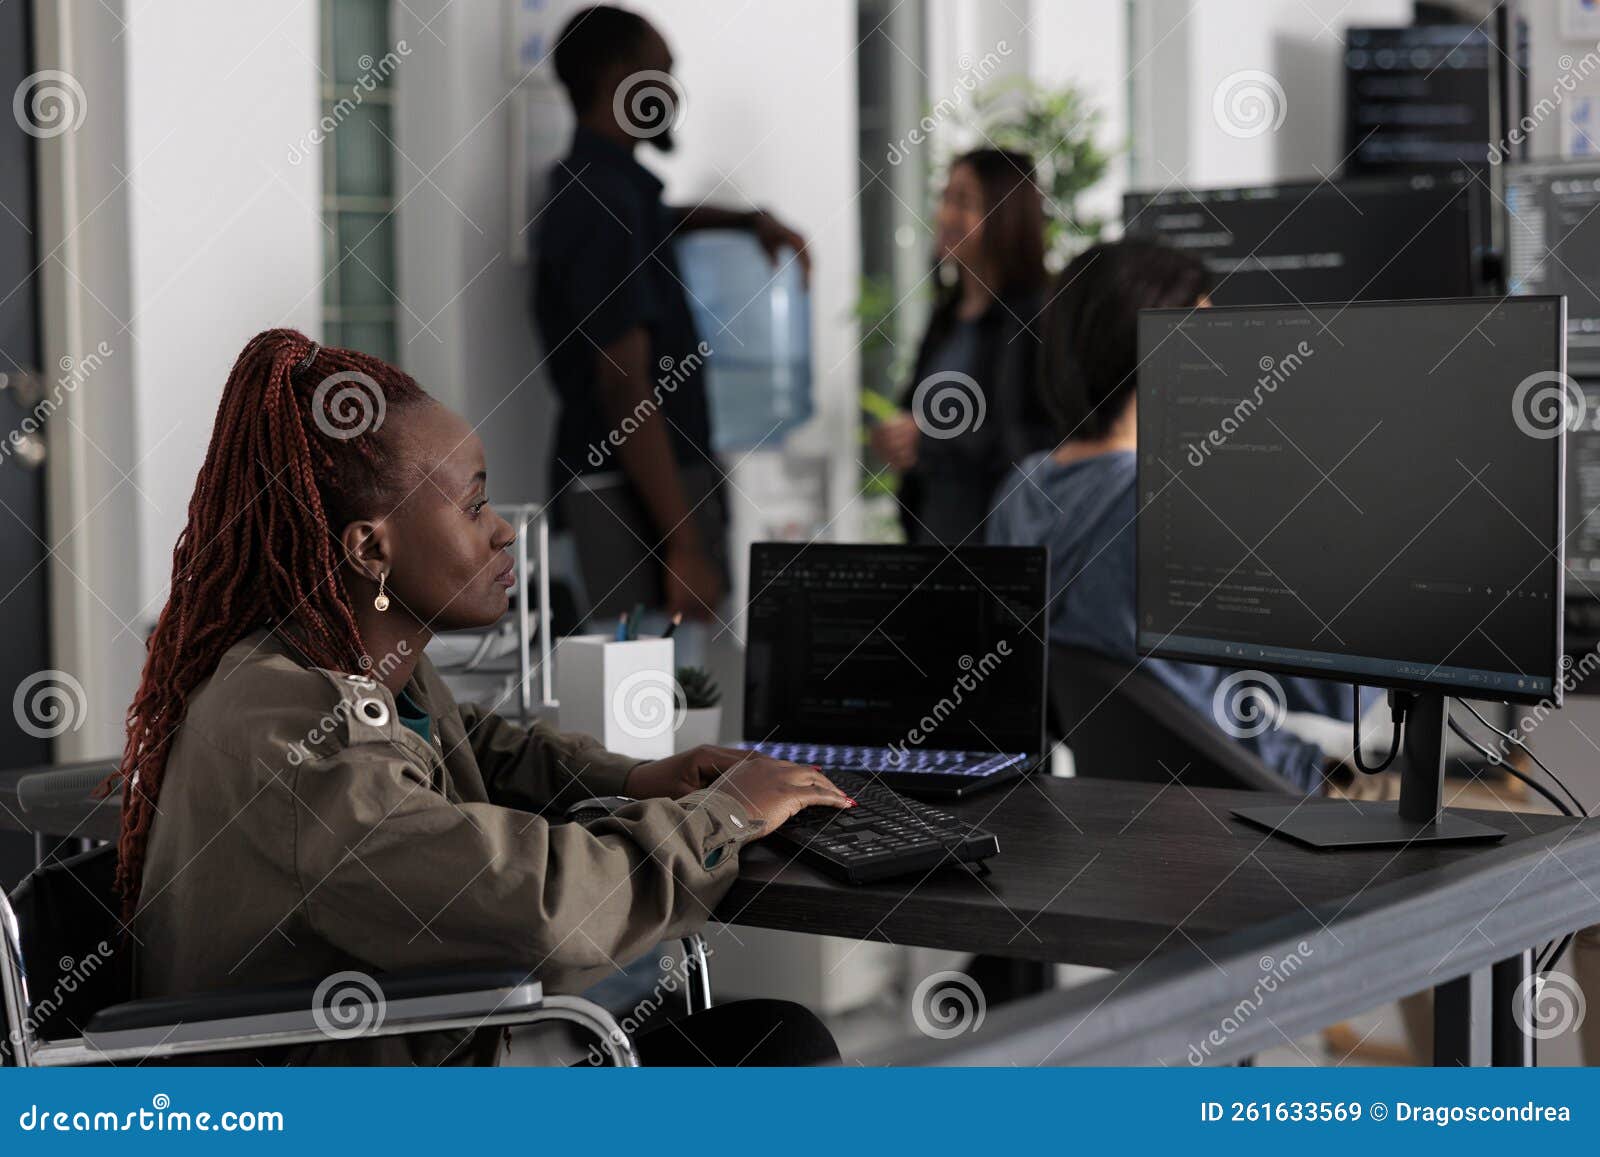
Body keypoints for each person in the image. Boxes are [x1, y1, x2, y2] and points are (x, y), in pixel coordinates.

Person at [98, 330, 850, 1066]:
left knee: (777, 1039)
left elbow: (472, 745)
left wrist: (637, 776)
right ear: (371, 548)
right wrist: (725, 817)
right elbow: (540, 911)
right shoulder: (298, 727)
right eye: (474, 505)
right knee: (785, 1051)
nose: (503, 534)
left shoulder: (353, 668)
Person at [986, 241, 1374, 791]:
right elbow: (1342, 690)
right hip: (1261, 793)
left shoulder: (1021, 492)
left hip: (1122, 797)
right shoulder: (1171, 504)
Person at [533, 5, 809, 628]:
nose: (673, 90)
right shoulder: (603, 203)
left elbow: (661, 224)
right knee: (646, 683)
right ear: (620, 79)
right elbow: (623, 383)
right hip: (623, 510)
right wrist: (683, 546)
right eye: (662, 70)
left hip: (640, 498)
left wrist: (748, 221)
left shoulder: (610, 190)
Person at [870, 148, 1053, 546]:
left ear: (1006, 216)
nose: (944, 215)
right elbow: (919, 416)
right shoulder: (947, 316)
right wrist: (900, 437)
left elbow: (1045, 443)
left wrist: (931, 441)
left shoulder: (1039, 316)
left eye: (963, 202)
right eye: (944, 198)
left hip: (1002, 548)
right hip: (933, 539)